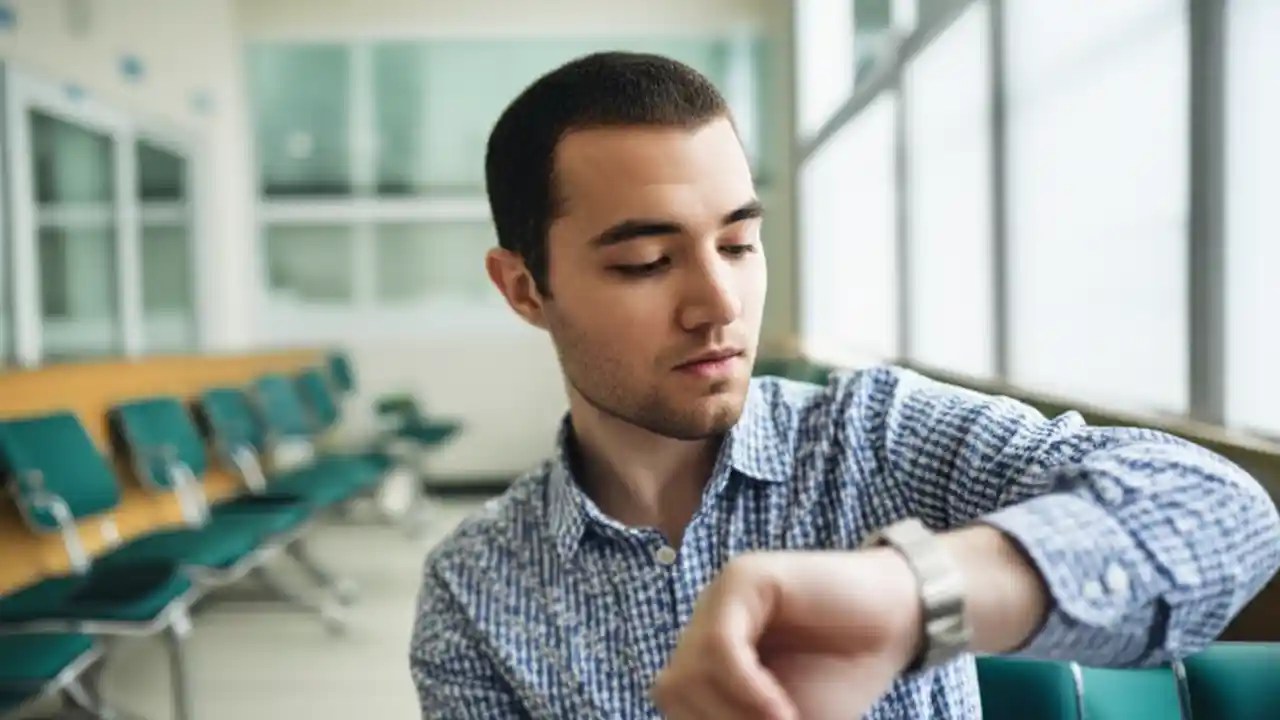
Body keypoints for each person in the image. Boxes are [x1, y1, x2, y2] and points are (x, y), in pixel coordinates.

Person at [408, 51, 1280, 719]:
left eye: (740, 244)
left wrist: (911, 594)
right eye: (646, 261)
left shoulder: (875, 437)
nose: (718, 302)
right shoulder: (478, 590)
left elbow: (1220, 510)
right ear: (525, 288)